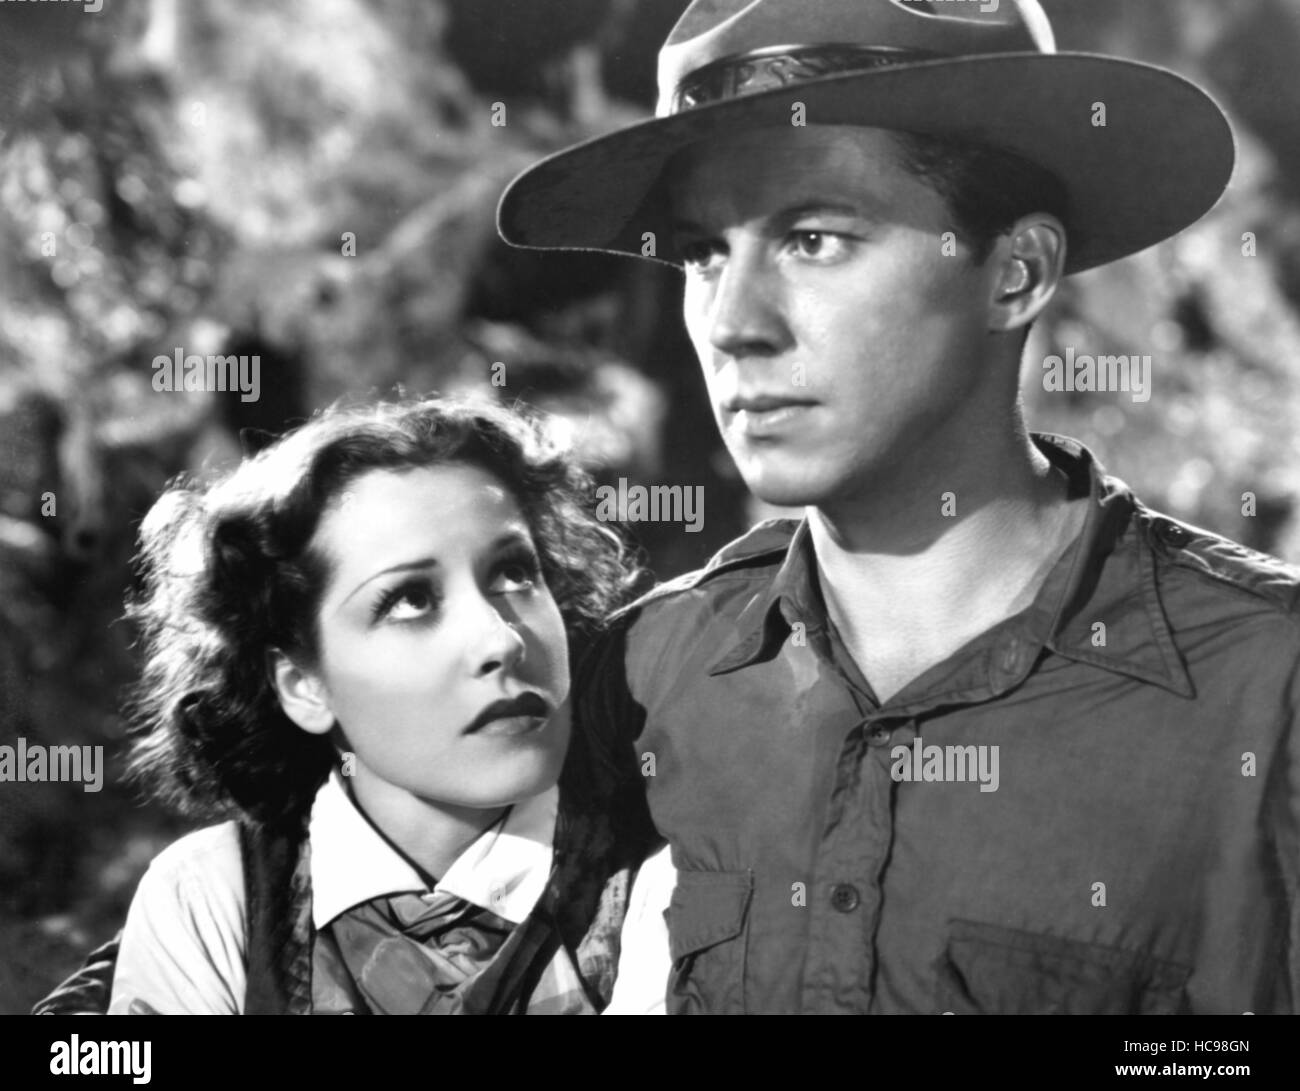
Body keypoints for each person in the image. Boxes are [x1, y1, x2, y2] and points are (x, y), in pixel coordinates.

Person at [499, 0, 1300, 1013]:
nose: (734, 324)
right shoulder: (654, 670)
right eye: (706, 255)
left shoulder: (1266, 689)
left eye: (815, 239)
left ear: (1016, 273)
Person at [38, 396, 653, 1014]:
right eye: (411, 599)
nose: (501, 639)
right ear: (305, 685)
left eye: (516, 573)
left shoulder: (669, 867)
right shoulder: (218, 899)